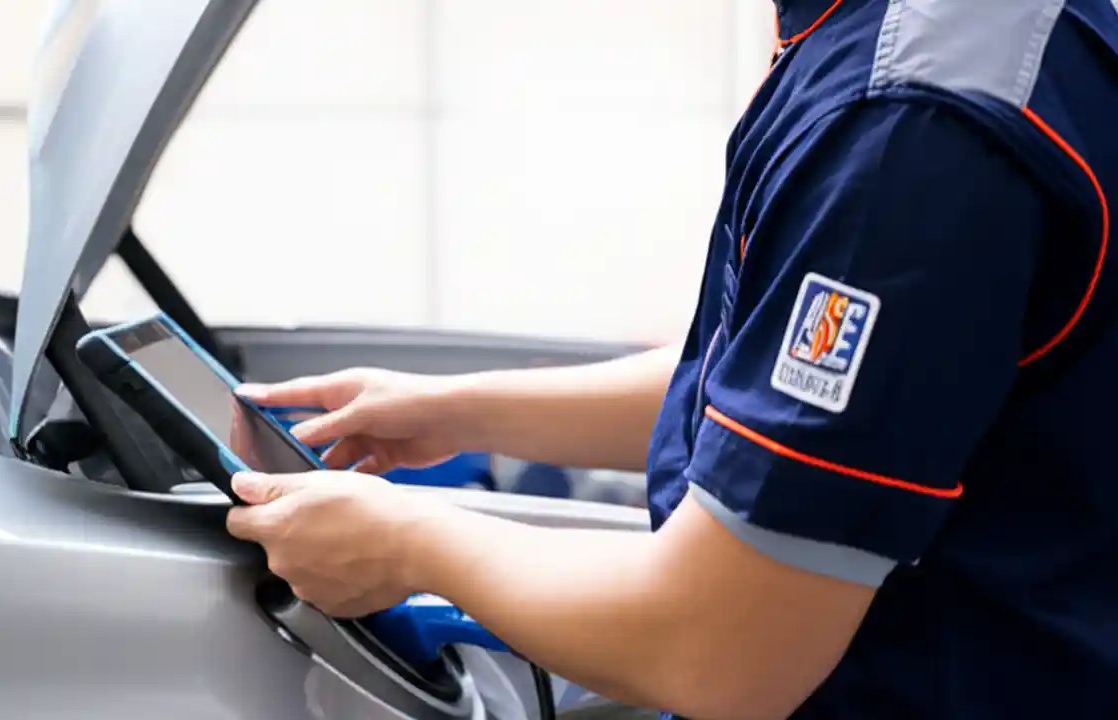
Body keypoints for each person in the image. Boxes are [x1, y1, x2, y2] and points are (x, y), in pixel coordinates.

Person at [226, 1, 1118, 718]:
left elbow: (722, 653)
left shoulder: (910, 120)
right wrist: (456, 410)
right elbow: (801, 399)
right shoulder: (938, 39)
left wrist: (406, 542)